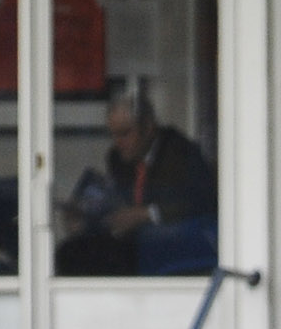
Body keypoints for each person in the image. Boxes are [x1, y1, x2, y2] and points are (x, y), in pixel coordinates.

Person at [56, 92, 217, 278]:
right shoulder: (117, 158)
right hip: (134, 241)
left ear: (148, 127)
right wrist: (86, 219)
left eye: (124, 133)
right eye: (113, 134)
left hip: (173, 243)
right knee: (70, 252)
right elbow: (118, 204)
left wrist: (146, 214)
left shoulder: (180, 152)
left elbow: (198, 201)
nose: (118, 143)